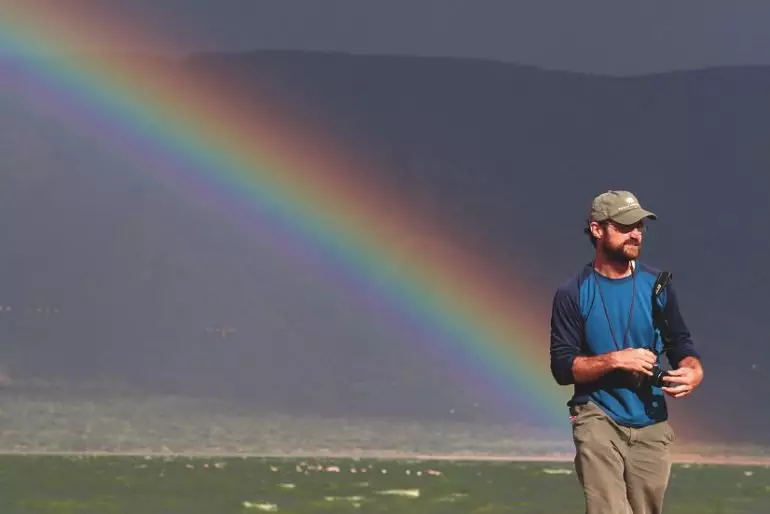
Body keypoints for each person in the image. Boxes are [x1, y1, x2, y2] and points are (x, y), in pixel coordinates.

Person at [549, 190, 704, 514]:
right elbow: (563, 368)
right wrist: (615, 360)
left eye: (640, 226)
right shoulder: (573, 293)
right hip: (597, 415)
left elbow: (680, 342)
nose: (636, 233)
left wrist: (693, 369)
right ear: (597, 229)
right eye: (625, 226)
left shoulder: (657, 285)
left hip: (651, 417)